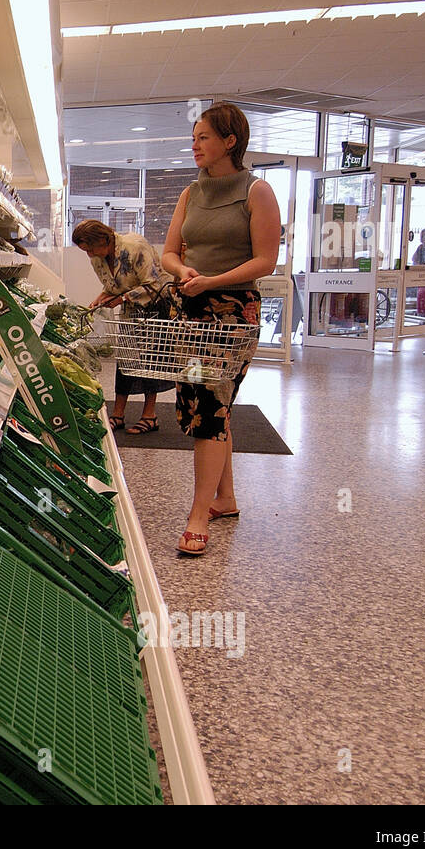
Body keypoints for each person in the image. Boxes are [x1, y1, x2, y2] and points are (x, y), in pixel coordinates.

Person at [159, 103, 280, 556]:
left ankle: (197, 515)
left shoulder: (256, 191)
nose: (195, 144)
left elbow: (264, 260)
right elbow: (168, 251)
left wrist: (215, 280)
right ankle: (225, 499)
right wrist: (184, 271)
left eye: (204, 137)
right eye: (193, 136)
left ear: (230, 141)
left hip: (232, 311)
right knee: (207, 404)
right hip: (188, 306)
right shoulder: (191, 193)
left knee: (210, 404)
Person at [72, 219, 175, 433]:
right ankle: (118, 414)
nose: (90, 255)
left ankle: (150, 415)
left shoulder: (135, 247)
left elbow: (155, 284)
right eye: (85, 251)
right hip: (131, 307)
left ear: (104, 239)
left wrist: (121, 299)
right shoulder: (97, 259)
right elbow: (112, 286)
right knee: (126, 360)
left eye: (91, 249)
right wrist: (101, 298)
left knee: (150, 359)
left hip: (155, 305)